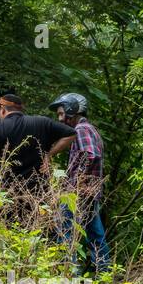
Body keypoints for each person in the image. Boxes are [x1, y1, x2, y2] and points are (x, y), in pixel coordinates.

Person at [48, 92, 108, 274]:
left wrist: (75, 184)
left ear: (71, 110)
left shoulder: (81, 130)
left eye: (61, 113)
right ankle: (105, 274)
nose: (60, 118)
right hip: (88, 191)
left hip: (79, 192)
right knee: (95, 234)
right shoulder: (89, 129)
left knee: (65, 230)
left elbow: (91, 155)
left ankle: (69, 274)